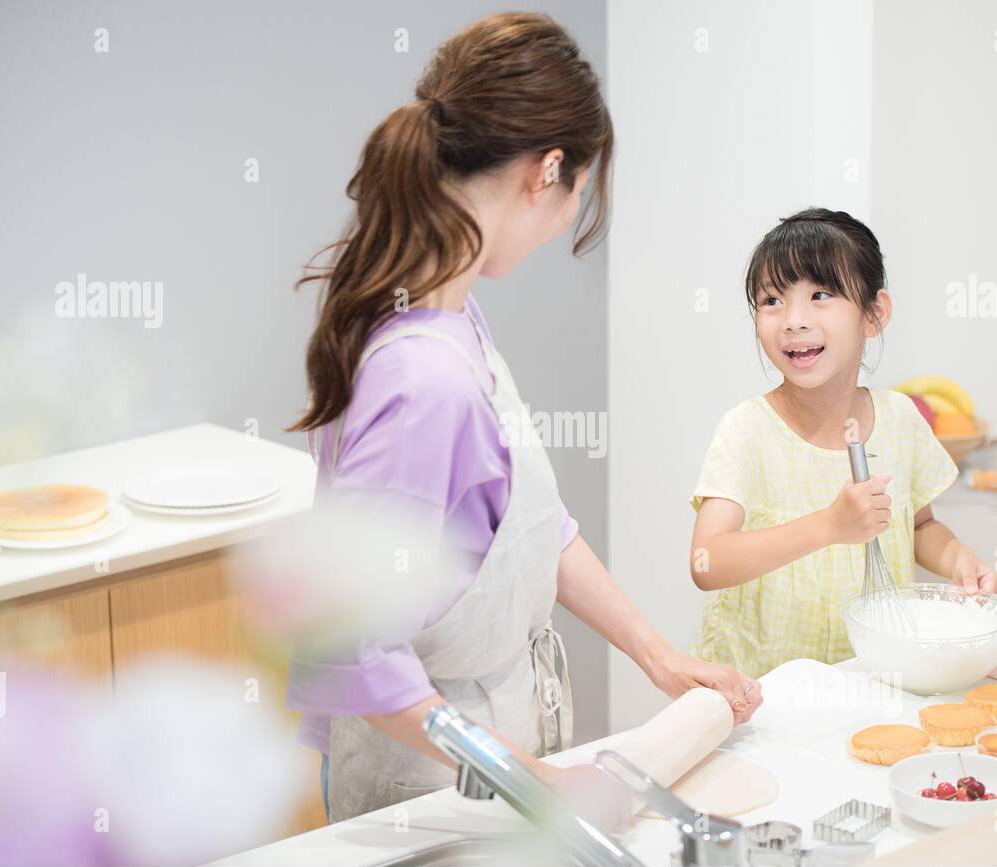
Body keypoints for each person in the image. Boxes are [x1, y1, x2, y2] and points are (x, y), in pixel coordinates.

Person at [287, 13, 763, 823]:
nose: (572, 213)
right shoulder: (425, 381)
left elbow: (538, 527)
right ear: (548, 171)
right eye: (580, 189)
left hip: (486, 745)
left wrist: (657, 656)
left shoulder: (453, 316)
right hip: (428, 777)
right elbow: (352, 640)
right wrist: (525, 778)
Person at [689, 207, 997, 680]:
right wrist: (830, 525)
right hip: (764, 692)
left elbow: (918, 527)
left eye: (819, 294)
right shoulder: (748, 430)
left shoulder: (900, 419)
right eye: (772, 300)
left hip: (872, 676)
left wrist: (959, 558)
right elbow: (707, 563)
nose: (793, 320)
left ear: (874, 315)